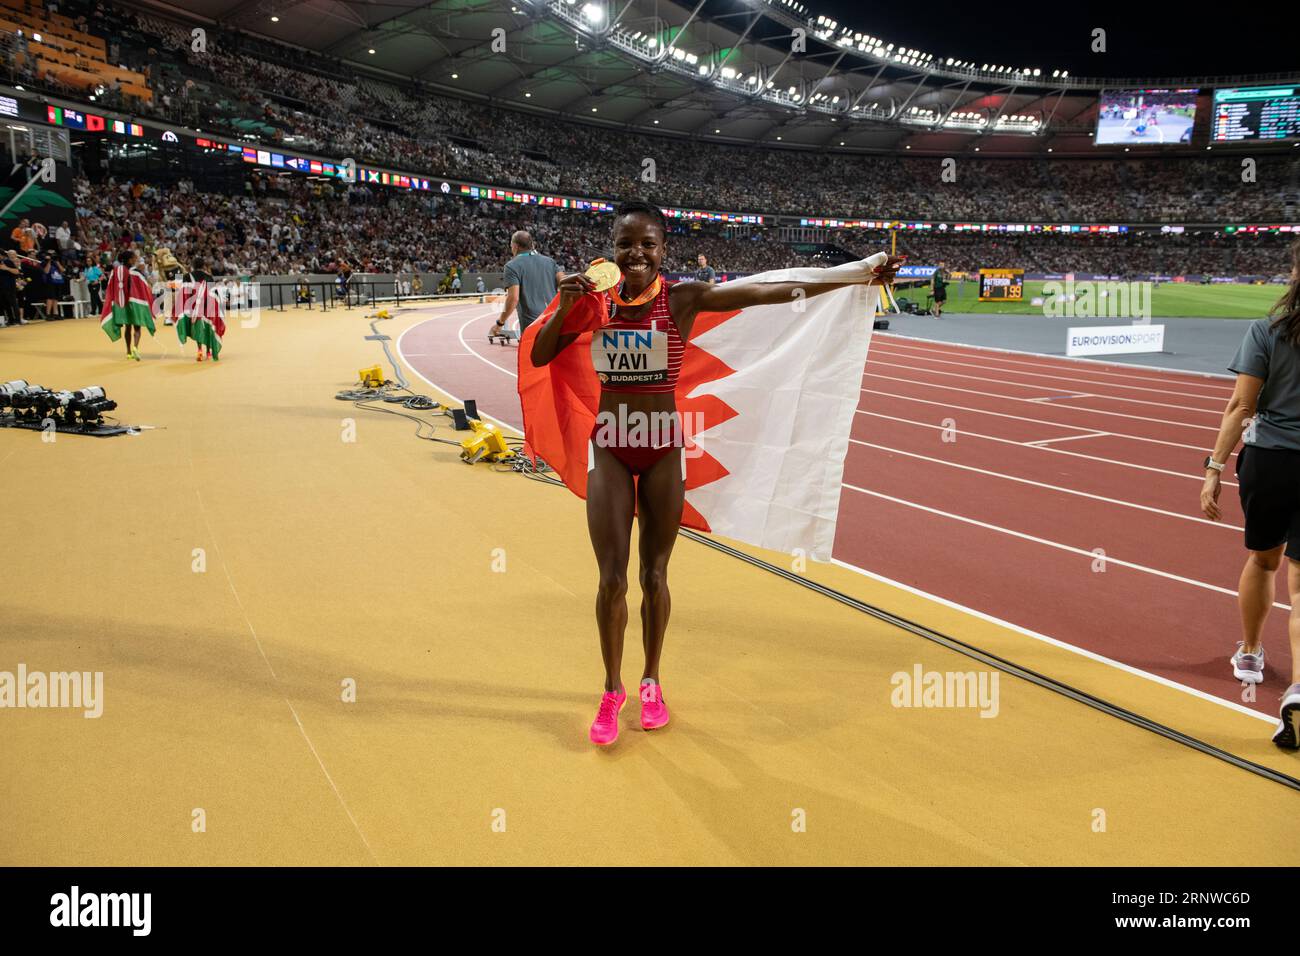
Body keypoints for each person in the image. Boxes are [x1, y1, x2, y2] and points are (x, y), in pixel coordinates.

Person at [527, 199, 901, 746]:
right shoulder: (593, 304)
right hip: (610, 448)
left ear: (662, 251)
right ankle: (612, 692)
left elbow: (766, 291)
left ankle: (652, 681)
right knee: (611, 578)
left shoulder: (683, 298)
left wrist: (856, 273)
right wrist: (564, 306)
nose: (635, 253)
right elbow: (540, 355)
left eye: (647, 244)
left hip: (661, 452)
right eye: (625, 244)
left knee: (654, 575)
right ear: (612, 249)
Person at [1200, 239, 1300, 749]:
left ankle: (1252, 651)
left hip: (1272, 462)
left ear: (1293, 271)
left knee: (1265, 562)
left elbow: (1241, 406)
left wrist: (1214, 467)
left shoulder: (1266, 331)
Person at [493, 230, 560, 340]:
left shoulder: (511, 266)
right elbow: (564, 283)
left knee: (531, 356)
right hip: (554, 320)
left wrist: (500, 323)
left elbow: (513, 298)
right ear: (532, 245)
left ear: (515, 246)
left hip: (532, 325)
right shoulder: (550, 262)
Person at [99, 249, 155, 361]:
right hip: (135, 304)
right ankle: (135, 348)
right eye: (134, 258)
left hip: (122, 305)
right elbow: (144, 288)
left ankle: (128, 351)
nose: (136, 259)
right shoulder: (136, 273)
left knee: (128, 328)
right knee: (137, 328)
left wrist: (112, 302)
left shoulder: (116, 271)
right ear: (130, 260)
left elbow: (111, 288)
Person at [174, 257, 225, 362]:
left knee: (197, 327)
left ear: (193, 265)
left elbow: (183, 292)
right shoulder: (208, 277)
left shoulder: (187, 276)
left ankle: (199, 350)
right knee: (207, 327)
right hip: (207, 305)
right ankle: (208, 352)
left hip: (193, 306)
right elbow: (213, 293)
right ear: (203, 266)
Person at [0, 251, 24, 326]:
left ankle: (18, 320)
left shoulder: (7, 261)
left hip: (10, 286)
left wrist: (6, 268)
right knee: (5, 304)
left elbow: (17, 271)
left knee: (13, 303)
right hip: (1, 287)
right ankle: (10, 320)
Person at [42, 251, 66, 318]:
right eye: (50, 255)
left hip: (58, 281)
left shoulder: (56, 262)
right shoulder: (44, 262)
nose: (52, 256)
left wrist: (57, 262)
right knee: (50, 298)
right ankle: (48, 314)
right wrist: (48, 262)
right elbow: (46, 271)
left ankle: (55, 313)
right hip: (50, 282)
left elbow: (63, 270)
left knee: (56, 298)